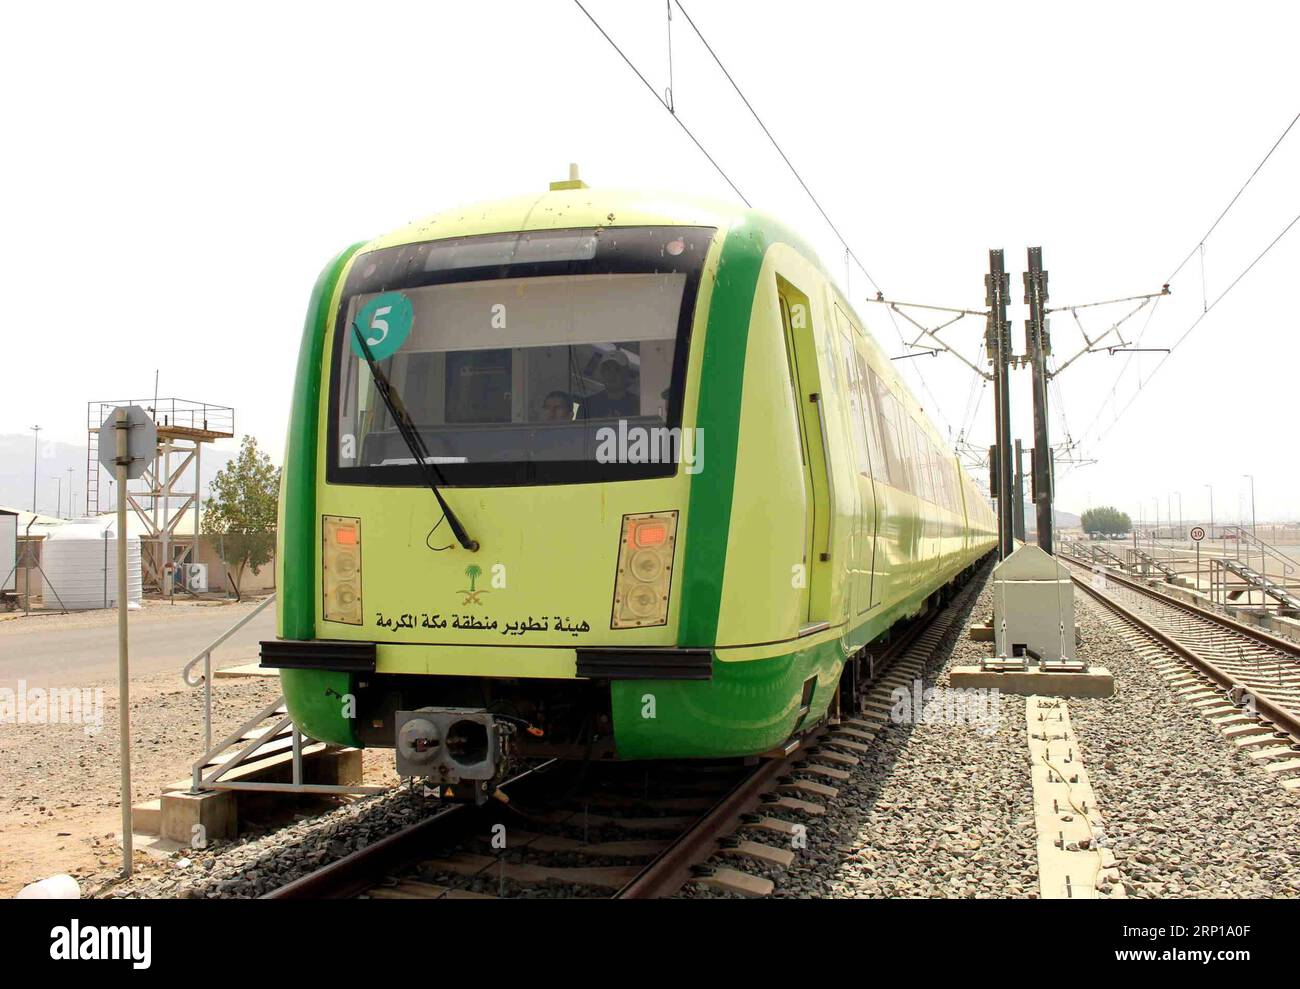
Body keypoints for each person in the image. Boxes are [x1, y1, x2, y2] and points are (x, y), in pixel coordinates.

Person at [578, 350, 639, 418]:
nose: (612, 374)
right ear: (602, 373)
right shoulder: (587, 406)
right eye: (607, 369)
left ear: (626, 373)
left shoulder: (637, 405)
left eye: (617, 369)